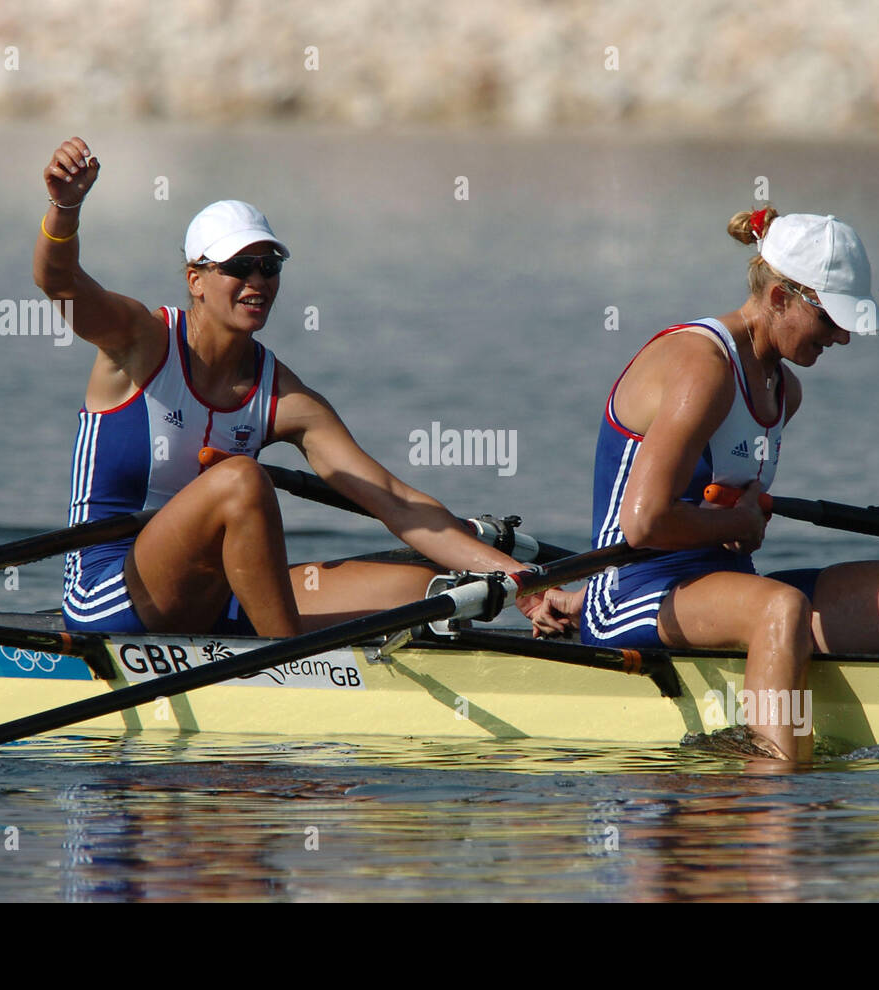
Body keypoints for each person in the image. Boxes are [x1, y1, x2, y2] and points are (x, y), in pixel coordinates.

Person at [33, 137, 562, 639]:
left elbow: (399, 504)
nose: (258, 281)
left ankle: (306, 662)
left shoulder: (282, 394)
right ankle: (288, 673)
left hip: (214, 591)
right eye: (240, 267)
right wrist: (65, 210)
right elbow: (58, 283)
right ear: (195, 278)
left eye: (269, 266)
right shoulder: (139, 341)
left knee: (421, 589)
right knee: (241, 480)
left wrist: (523, 582)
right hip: (111, 594)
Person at [548, 206, 879, 761]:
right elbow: (643, 521)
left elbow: (714, 514)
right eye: (831, 319)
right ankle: (773, 804)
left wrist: (731, 525)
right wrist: (736, 523)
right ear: (779, 298)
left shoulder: (783, 391)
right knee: (781, 609)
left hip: (723, 587)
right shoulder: (701, 367)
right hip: (632, 593)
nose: (842, 337)